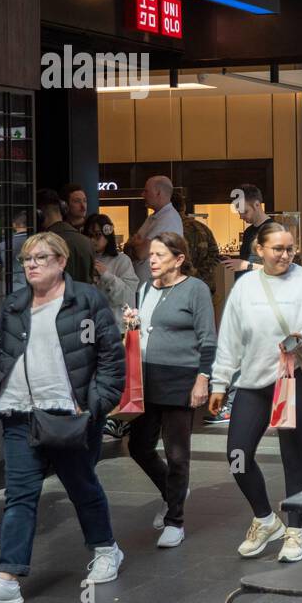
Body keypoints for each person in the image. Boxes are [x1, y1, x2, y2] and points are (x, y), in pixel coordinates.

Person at [0, 232, 125, 603]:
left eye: (41, 258)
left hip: (69, 415)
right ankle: (8, 579)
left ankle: (106, 549)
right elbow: (1, 352)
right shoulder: (16, 304)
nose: (31, 264)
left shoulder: (86, 300)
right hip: (20, 414)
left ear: (61, 262)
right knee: (19, 496)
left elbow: (111, 359)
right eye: (27, 259)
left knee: (82, 487)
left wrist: (94, 405)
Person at [209, 222, 302, 561]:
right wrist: (219, 381)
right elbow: (230, 337)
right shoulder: (245, 287)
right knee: (237, 455)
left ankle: (295, 531)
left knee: (293, 453)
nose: (285, 255)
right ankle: (265, 519)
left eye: (289, 249)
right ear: (259, 249)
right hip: (254, 382)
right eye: (277, 249)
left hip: (296, 379)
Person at [126, 232, 216, 548]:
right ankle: (172, 491)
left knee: (177, 454)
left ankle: (174, 520)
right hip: (147, 379)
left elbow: (208, 338)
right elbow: (145, 330)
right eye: (151, 254)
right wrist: (132, 324)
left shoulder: (195, 290)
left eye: (160, 255)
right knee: (139, 446)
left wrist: (203, 378)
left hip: (181, 378)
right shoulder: (145, 288)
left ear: (178, 259)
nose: (152, 260)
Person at [125, 176, 183, 286]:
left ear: (158, 193)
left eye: (146, 191)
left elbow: (142, 253)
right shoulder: (153, 217)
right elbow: (128, 248)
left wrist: (135, 244)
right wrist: (135, 244)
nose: (143, 195)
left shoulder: (168, 219)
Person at [84, 213, 138, 330]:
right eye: (89, 235)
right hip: (88, 326)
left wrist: (106, 276)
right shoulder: (84, 259)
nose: (93, 240)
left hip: (115, 326)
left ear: (107, 235)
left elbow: (127, 296)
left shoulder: (122, 260)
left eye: (97, 235)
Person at [37, 188, 95, 286]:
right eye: (77, 201)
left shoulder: (43, 243)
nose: (83, 206)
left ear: (39, 214)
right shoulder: (86, 241)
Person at [171, 188, 219, 299]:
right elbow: (215, 255)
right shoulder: (202, 228)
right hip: (205, 287)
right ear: (184, 207)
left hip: (180, 290)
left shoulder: (170, 229)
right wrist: (200, 274)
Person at [222, 183, 270, 281]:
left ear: (257, 205)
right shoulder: (248, 231)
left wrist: (246, 265)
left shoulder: (274, 230)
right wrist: (233, 262)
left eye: (245, 211)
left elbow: (280, 270)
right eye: (239, 212)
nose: (241, 216)